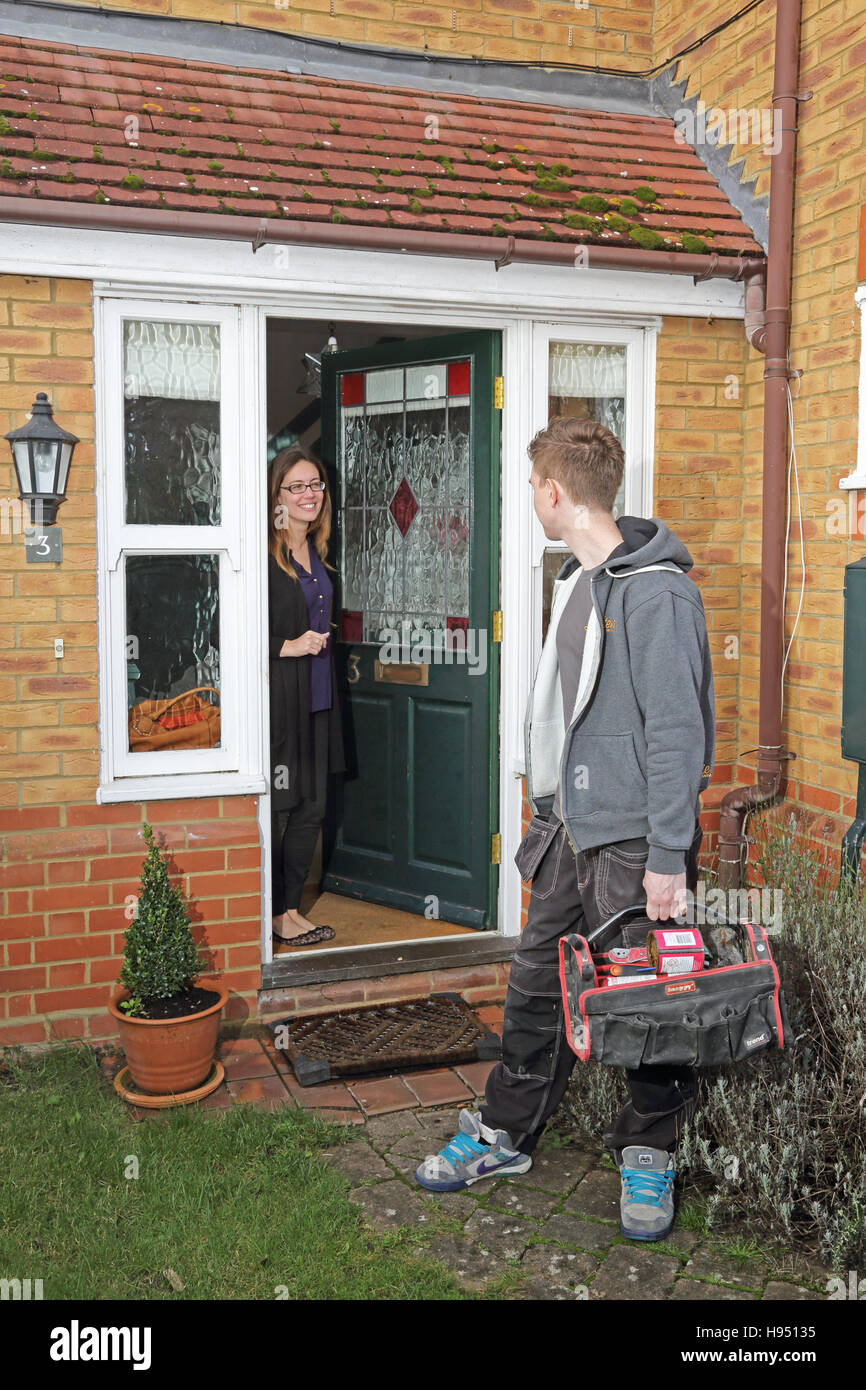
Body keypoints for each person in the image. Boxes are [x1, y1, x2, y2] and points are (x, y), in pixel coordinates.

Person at [414, 416, 716, 1243]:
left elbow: (676, 735)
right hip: (571, 833)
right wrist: (547, 807)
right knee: (535, 992)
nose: (533, 502)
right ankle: (506, 1133)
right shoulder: (582, 583)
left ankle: (649, 1154)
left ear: (553, 492)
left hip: (631, 847)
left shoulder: (658, 592)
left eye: (532, 489)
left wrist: (666, 857)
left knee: (646, 1005)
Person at [268, 445, 345, 947]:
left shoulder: (317, 554)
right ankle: (272, 910)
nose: (308, 494)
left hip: (320, 696)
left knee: (312, 807)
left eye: (314, 484)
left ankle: (290, 909)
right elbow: (220, 631)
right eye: (296, 486)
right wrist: (288, 646)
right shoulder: (262, 557)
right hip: (281, 699)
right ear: (277, 496)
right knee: (281, 803)